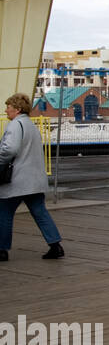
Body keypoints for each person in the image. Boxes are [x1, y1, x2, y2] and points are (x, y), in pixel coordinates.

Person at [0, 93, 64, 261]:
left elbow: (10, 150)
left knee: (4, 212)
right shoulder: (31, 125)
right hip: (34, 180)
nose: (6, 110)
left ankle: (2, 249)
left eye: (9, 107)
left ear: (17, 109)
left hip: (17, 180)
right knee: (40, 212)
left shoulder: (15, 125)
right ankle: (55, 245)